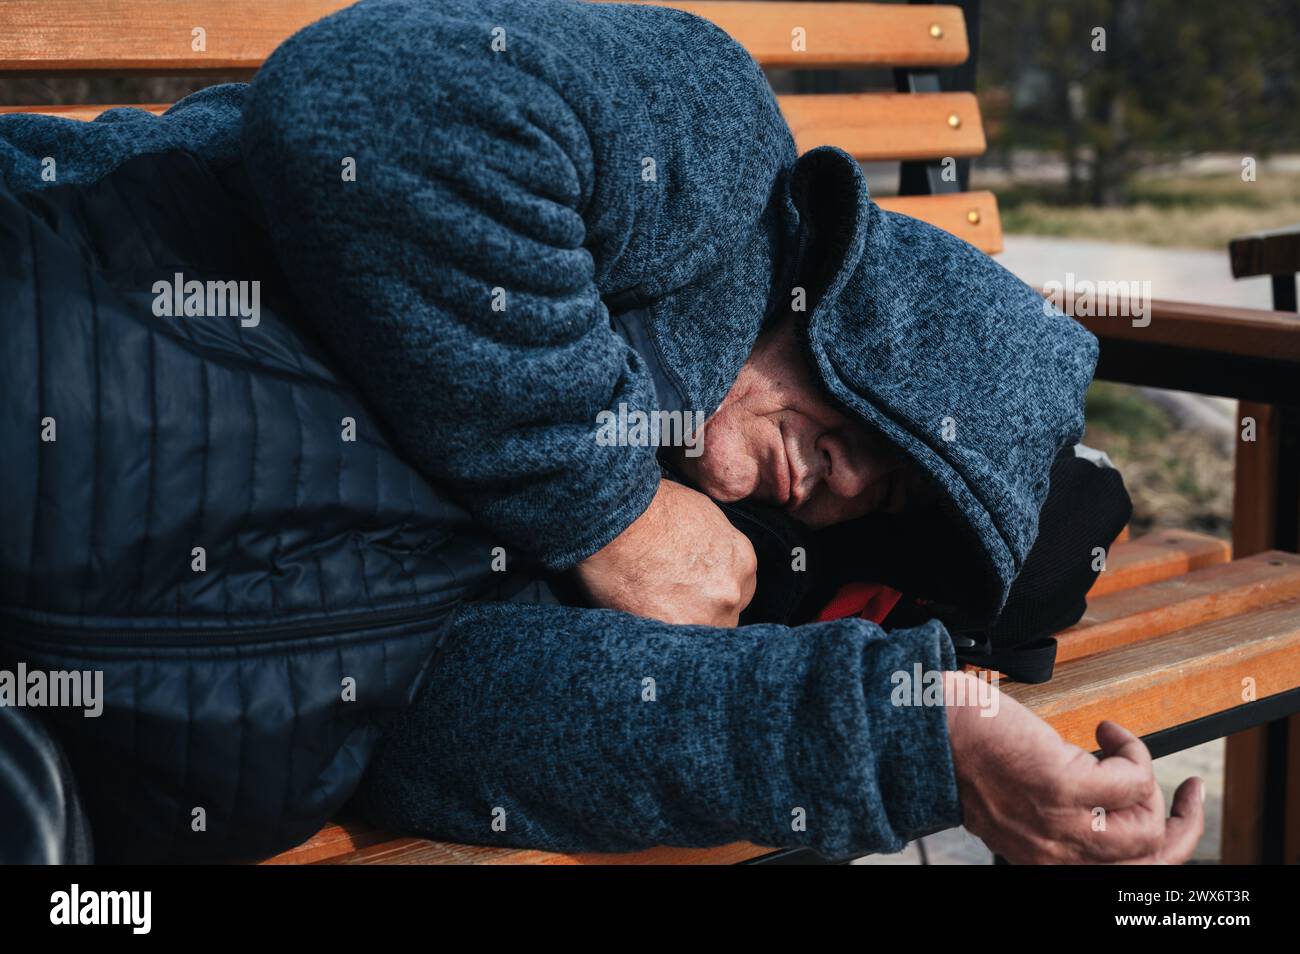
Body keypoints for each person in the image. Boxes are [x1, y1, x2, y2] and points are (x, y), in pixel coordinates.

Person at [0, 0, 1202, 863]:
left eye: (886, 516)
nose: (842, 482)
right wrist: (602, 508)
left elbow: (437, 742)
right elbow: (369, 104)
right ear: (883, 329)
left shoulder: (650, 570)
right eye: (898, 444)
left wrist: (934, 742)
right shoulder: (719, 162)